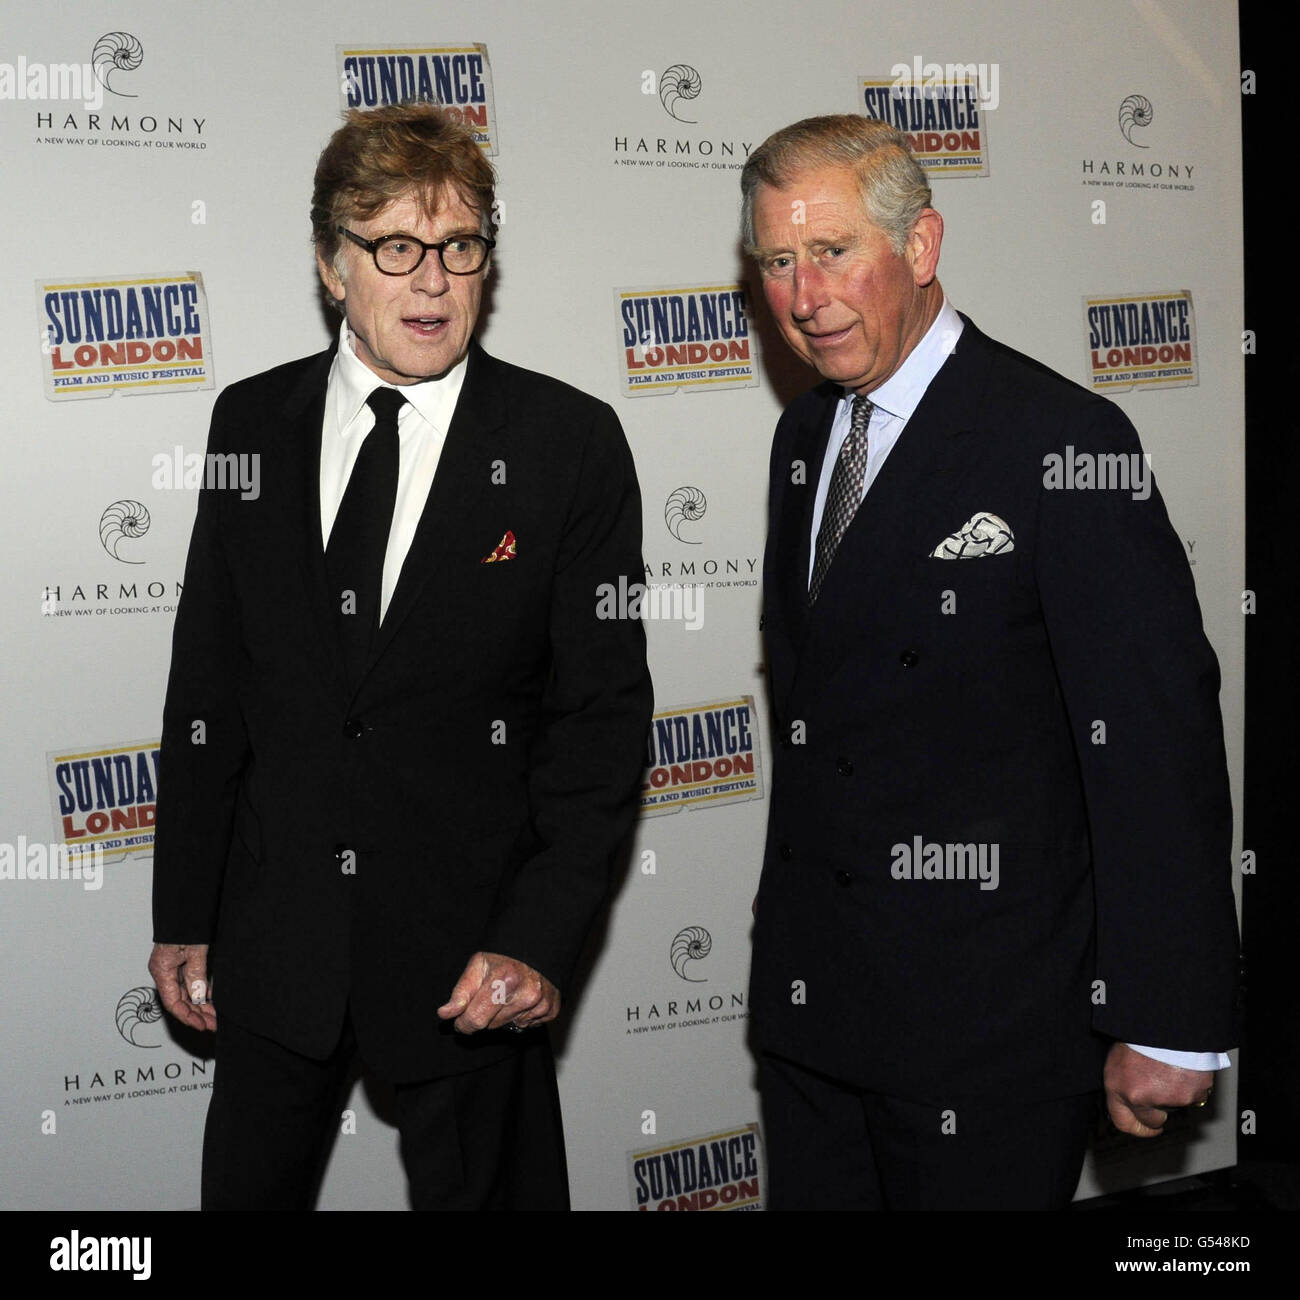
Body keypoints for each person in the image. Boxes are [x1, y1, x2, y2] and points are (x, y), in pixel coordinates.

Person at [148, 102, 652, 1211]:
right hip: (273, 946)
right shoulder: (250, 424)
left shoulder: (565, 444)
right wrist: (182, 907)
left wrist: (537, 937)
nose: (433, 281)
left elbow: (601, 725)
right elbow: (208, 685)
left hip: (470, 961)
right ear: (334, 264)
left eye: (461, 247)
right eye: (396, 248)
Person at [741, 114, 1239, 1210]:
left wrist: (1167, 1015)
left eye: (831, 252)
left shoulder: (1063, 443)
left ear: (920, 248)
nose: (802, 294)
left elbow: (1155, 742)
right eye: (775, 261)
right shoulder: (803, 442)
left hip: (991, 1036)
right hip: (813, 1017)